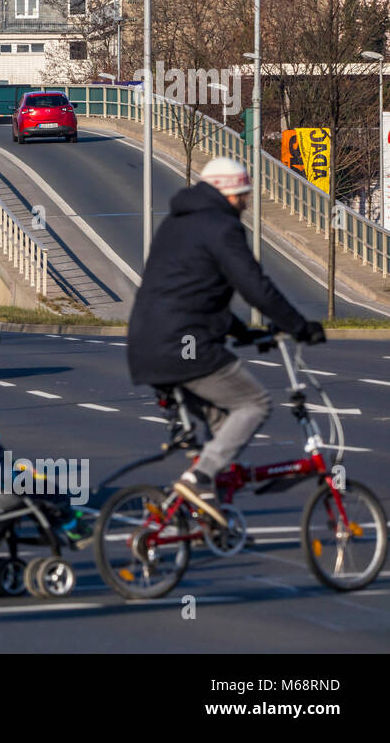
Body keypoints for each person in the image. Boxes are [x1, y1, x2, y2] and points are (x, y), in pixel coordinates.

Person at [127, 156, 324, 525]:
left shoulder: (176, 224)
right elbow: (255, 287)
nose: (247, 203)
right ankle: (199, 480)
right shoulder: (220, 227)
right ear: (231, 194)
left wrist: (241, 332)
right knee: (254, 403)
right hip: (183, 346)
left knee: (222, 423)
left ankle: (204, 515)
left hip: (146, 344)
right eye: (244, 195)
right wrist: (299, 325)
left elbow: (191, 292)